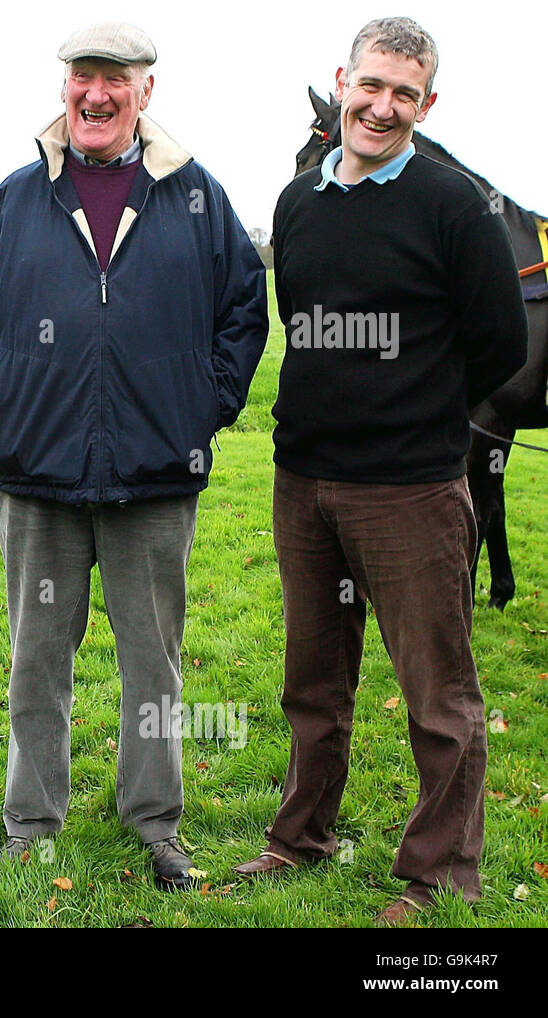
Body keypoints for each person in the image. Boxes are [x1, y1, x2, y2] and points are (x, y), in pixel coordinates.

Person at [0, 21, 267, 887]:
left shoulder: (197, 196)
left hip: (155, 478)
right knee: (37, 659)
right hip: (39, 478)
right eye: (83, 77)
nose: (96, 94)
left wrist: (203, 405)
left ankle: (155, 824)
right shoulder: (16, 198)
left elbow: (243, 308)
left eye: (115, 79)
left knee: (152, 663)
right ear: (64, 89)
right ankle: (30, 822)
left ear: (145, 92)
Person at [234, 17, 528, 924]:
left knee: (439, 696)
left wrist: (419, 414)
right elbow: (302, 323)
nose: (383, 106)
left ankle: (439, 877)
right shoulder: (298, 203)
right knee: (313, 682)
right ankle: (300, 837)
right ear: (342, 82)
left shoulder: (453, 207)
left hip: (411, 491)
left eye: (406, 93)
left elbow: (501, 345)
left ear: (426, 104)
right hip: (304, 481)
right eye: (372, 86)